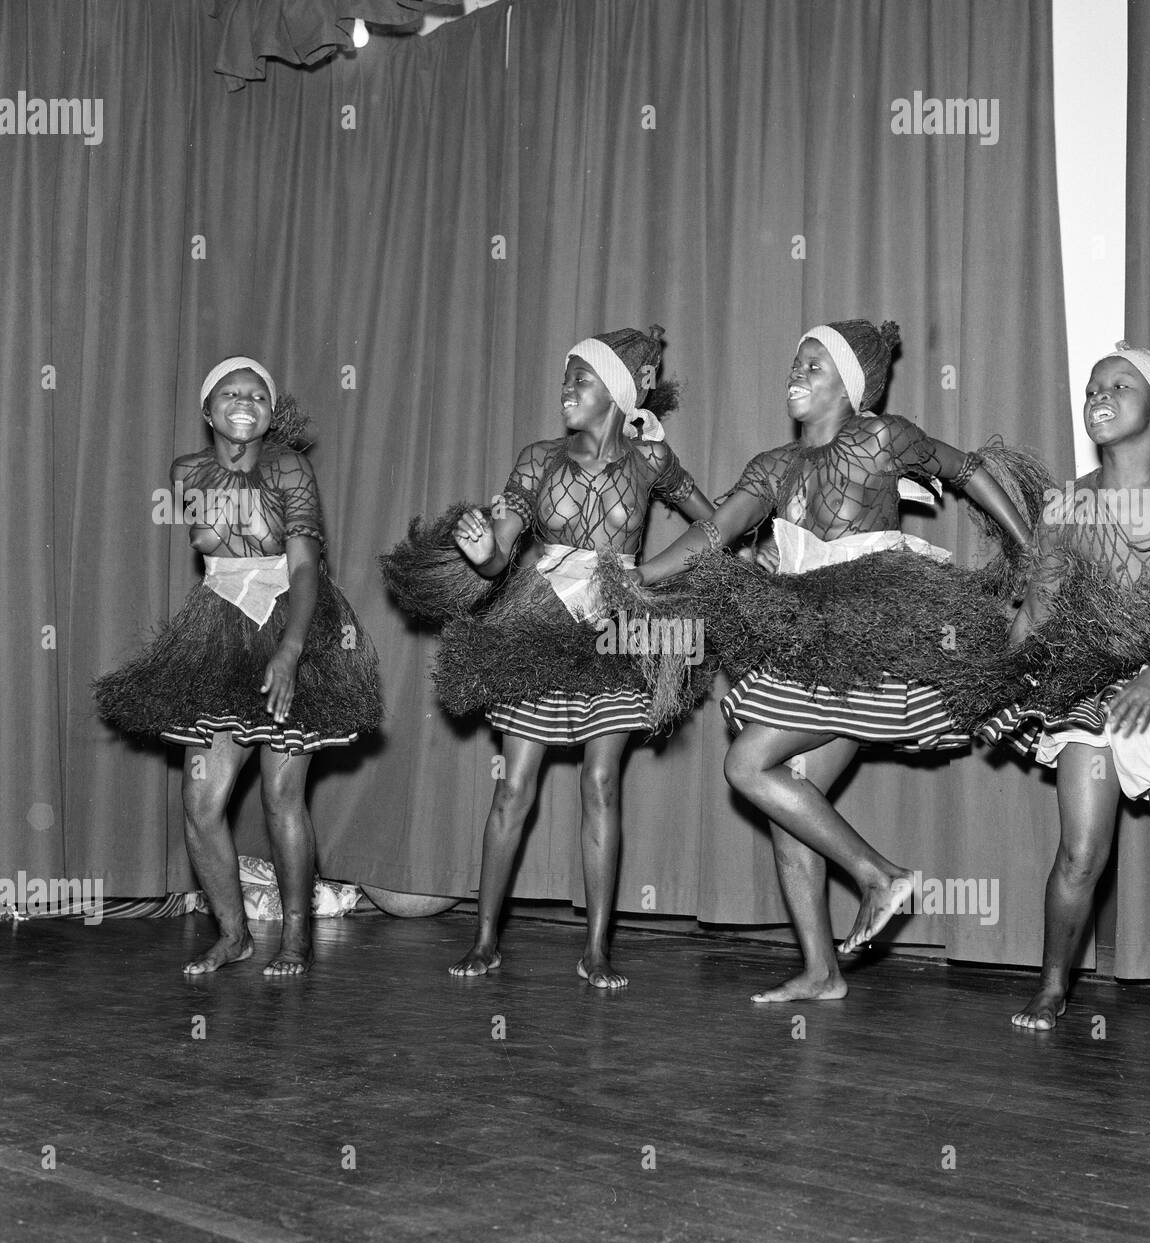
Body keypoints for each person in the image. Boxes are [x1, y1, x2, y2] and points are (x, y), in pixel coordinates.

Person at [634, 319, 1033, 1001]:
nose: (797, 373)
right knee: (789, 801)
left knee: (746, 764)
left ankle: (878, 875)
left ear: (850, 385)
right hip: (806, 640)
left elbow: (963, 468)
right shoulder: (773, 466)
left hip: (872, 632)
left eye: (814, 366)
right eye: (795, 363)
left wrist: (1030, 548)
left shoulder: (880, 437)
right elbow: (712, 532)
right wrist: (638, 580)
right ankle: (822, 972)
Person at [95, 357, 383, 976]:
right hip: (220, 628)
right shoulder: (187, 472)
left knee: (282, 793)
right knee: (201, 799)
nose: (244, 400)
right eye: (230, 393)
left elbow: (305, 567)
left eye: (257, 394)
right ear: (208, 411)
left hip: (293, 621)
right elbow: (214, 546)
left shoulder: (290, 467)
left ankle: (298, 938)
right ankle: (234, 933)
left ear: (270, 412)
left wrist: (290, 650)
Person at [445, 327, 712, 988]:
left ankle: (597, 948)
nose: (567, 390)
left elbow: (714, 523)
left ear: (618, 393)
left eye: (581, 380)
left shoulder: (651, 461)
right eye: (565, 378)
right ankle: (485, 938)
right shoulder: (537, 459)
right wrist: (484, 552)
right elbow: (503, 547)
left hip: (617, 631)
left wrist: (654, 576)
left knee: (600, 782)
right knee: (513, 785)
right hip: (539, 619)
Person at [986, 343, 1150, 1049]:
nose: (1100, 394)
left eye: (1120, 385)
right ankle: (1053, 984)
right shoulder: (1067, 503)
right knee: (1080, 852)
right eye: (1094, 386)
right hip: (1087, 684)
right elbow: (1038, 611)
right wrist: (992, 685)